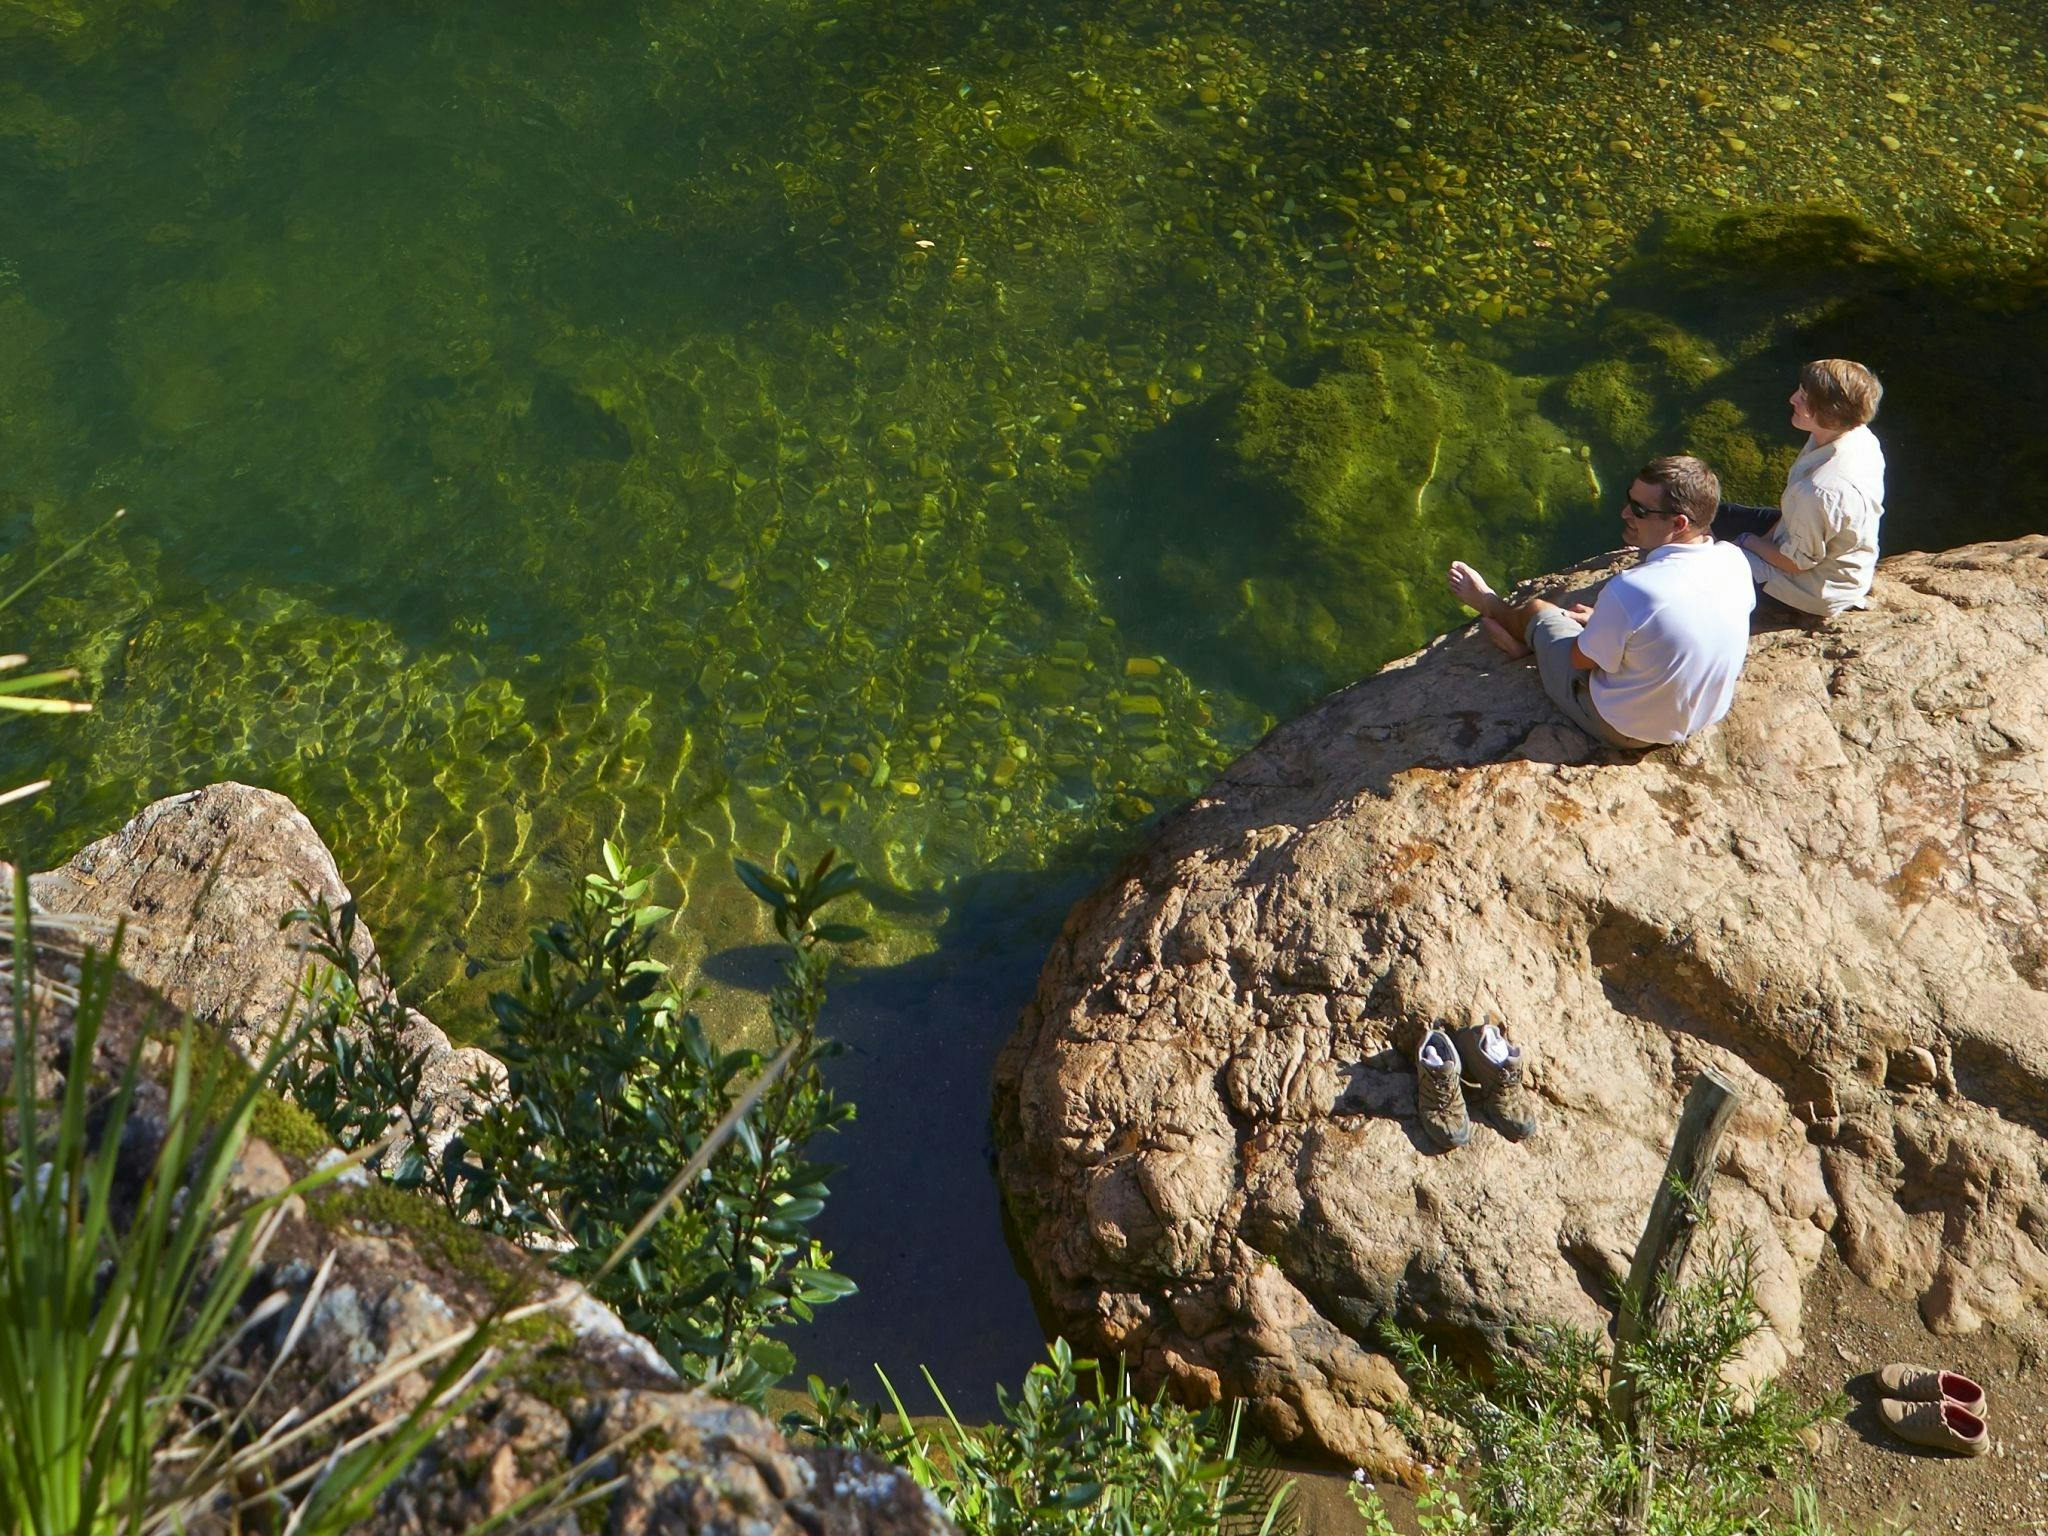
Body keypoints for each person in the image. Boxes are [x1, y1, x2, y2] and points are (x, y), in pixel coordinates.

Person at [1446, 455, 1756, 750]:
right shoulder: (1735, 561)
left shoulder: (1634, 589)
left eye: (1639, 510)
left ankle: (1493, 607)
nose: (1625, 513)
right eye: (1629, 499)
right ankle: (1535, 644)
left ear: (1678, 524)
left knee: (1538, 611)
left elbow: (1581, 660)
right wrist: (1614, 625)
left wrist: (1603, 628)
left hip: (1624, 728)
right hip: (1696, 721)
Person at [1713, 359, 1886, 619]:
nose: (1792, 398)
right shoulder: (1855, 436)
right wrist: (1764, 539)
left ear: (1830, 413)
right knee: (1715, 515)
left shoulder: (1821, 489)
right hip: (1819, 543)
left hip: (1810, 588)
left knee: (1706, 565)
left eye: (1804, 398)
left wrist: (1748, 541)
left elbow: (1797, 563)